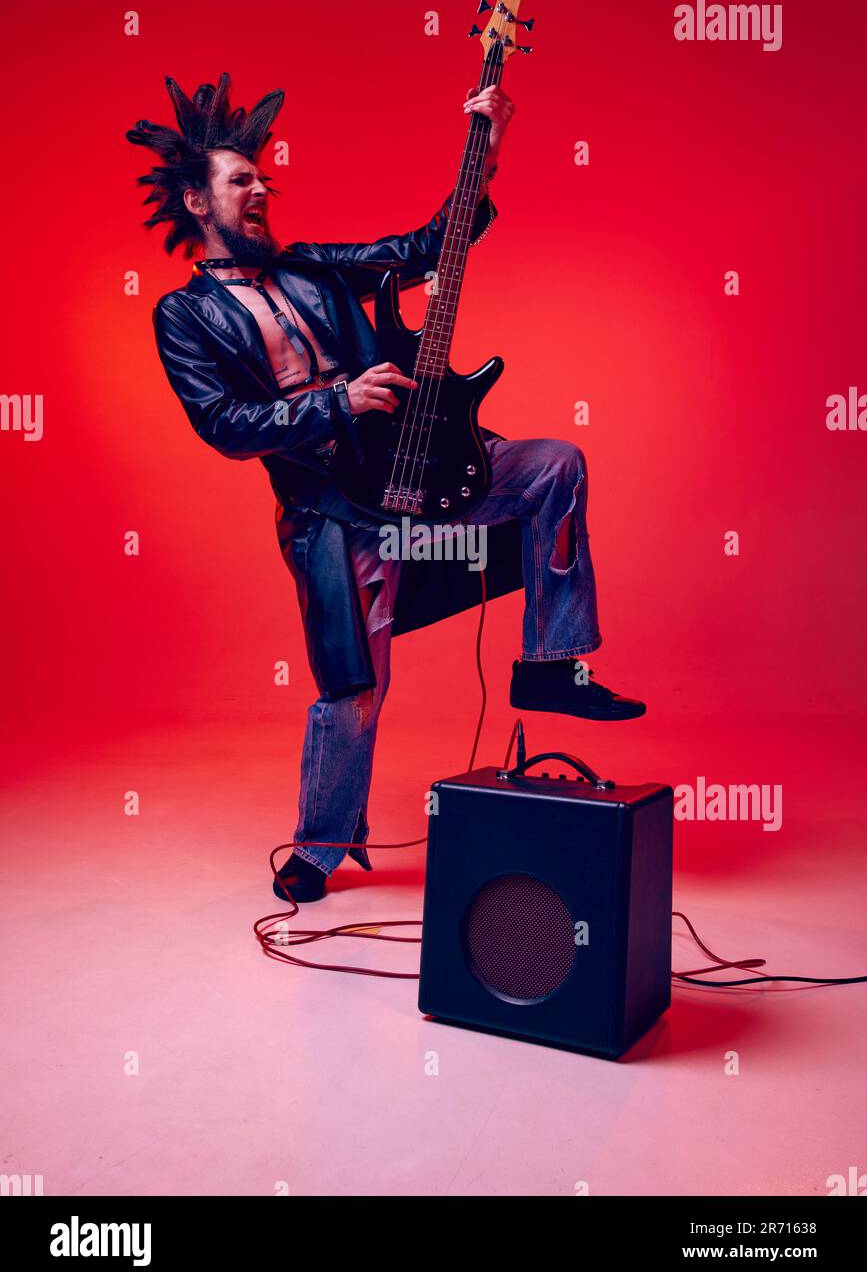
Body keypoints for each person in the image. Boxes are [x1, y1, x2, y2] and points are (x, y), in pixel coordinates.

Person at [128, 72, 645, 903]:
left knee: (554, 464)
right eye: (240, 180)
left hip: (414, 470)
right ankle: (321, 846)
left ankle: (549, 664)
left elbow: (426, 247)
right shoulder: (182, 316)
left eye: (264, 179)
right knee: (353, 686)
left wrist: (490, 143)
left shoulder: (315, 270)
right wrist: (337, 400)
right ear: (196, 200)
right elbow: (223, 424)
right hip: (329, 510)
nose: (261, 189)